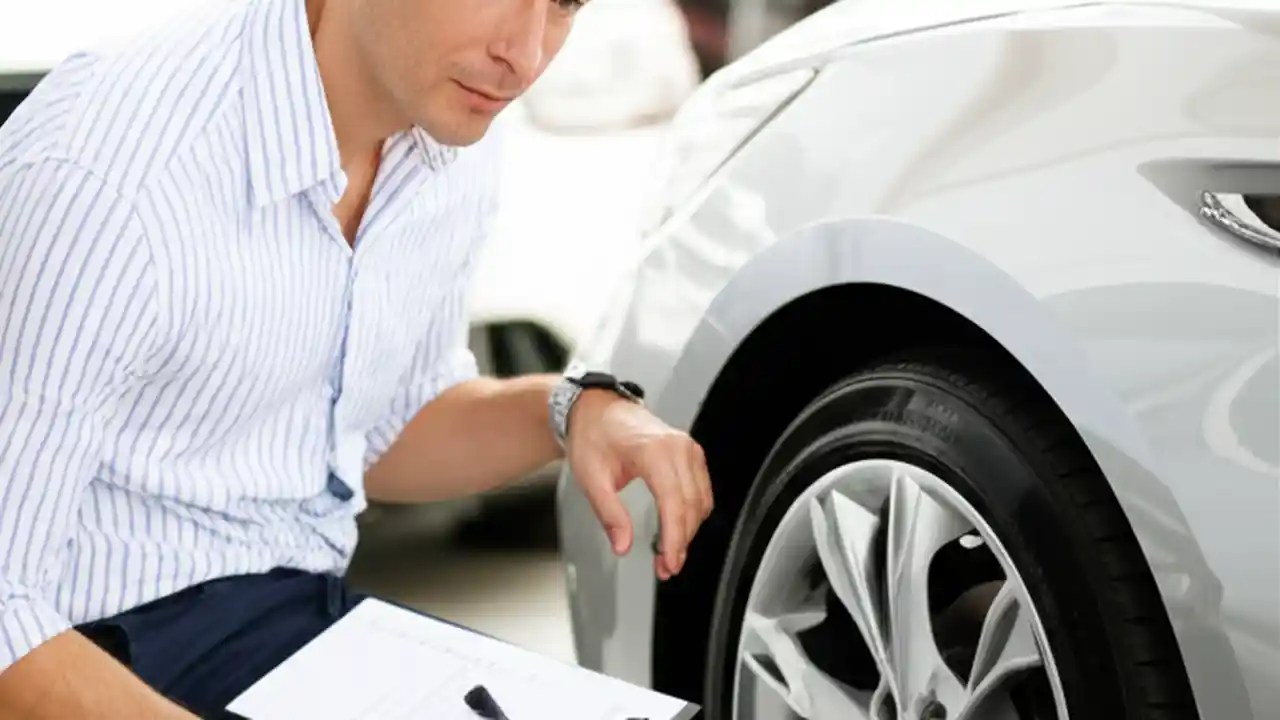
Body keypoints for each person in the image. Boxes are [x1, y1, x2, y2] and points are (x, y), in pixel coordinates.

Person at [0, 0, 714, 716]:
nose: (525, 56)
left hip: (291, 620)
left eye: (564, 4)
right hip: (84, 652)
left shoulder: (445, 125)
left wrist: (570, 410)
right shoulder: (104, 169)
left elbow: (377, 431)